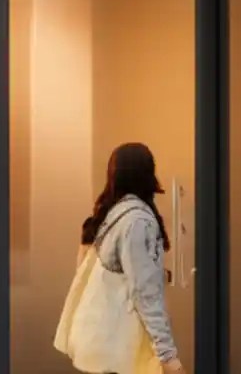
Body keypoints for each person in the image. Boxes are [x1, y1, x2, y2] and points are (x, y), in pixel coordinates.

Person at [53, 143, 185, 374]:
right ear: (148, 175)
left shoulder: (111, 215)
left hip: (101, 349)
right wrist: (168, 355)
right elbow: (144, 292)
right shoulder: (137, 220)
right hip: (124, 355)